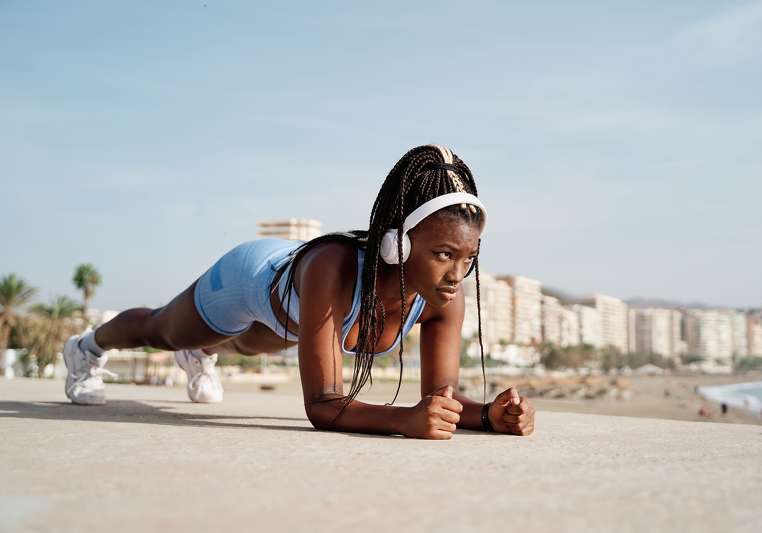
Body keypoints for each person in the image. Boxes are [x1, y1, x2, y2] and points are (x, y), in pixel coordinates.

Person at [61, 144, 535, 439]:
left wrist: (491, 416)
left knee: (245, 344)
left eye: (468, 257)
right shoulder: (333, 267)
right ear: (397, 243)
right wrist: (402, 420)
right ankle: (86, 349)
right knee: (163, 330)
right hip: (252, 278)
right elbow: (323, 405)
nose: (458, 273)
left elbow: (440, 401)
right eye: (444, 255)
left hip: (289, 319)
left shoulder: (442, 298)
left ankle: (205, 352)